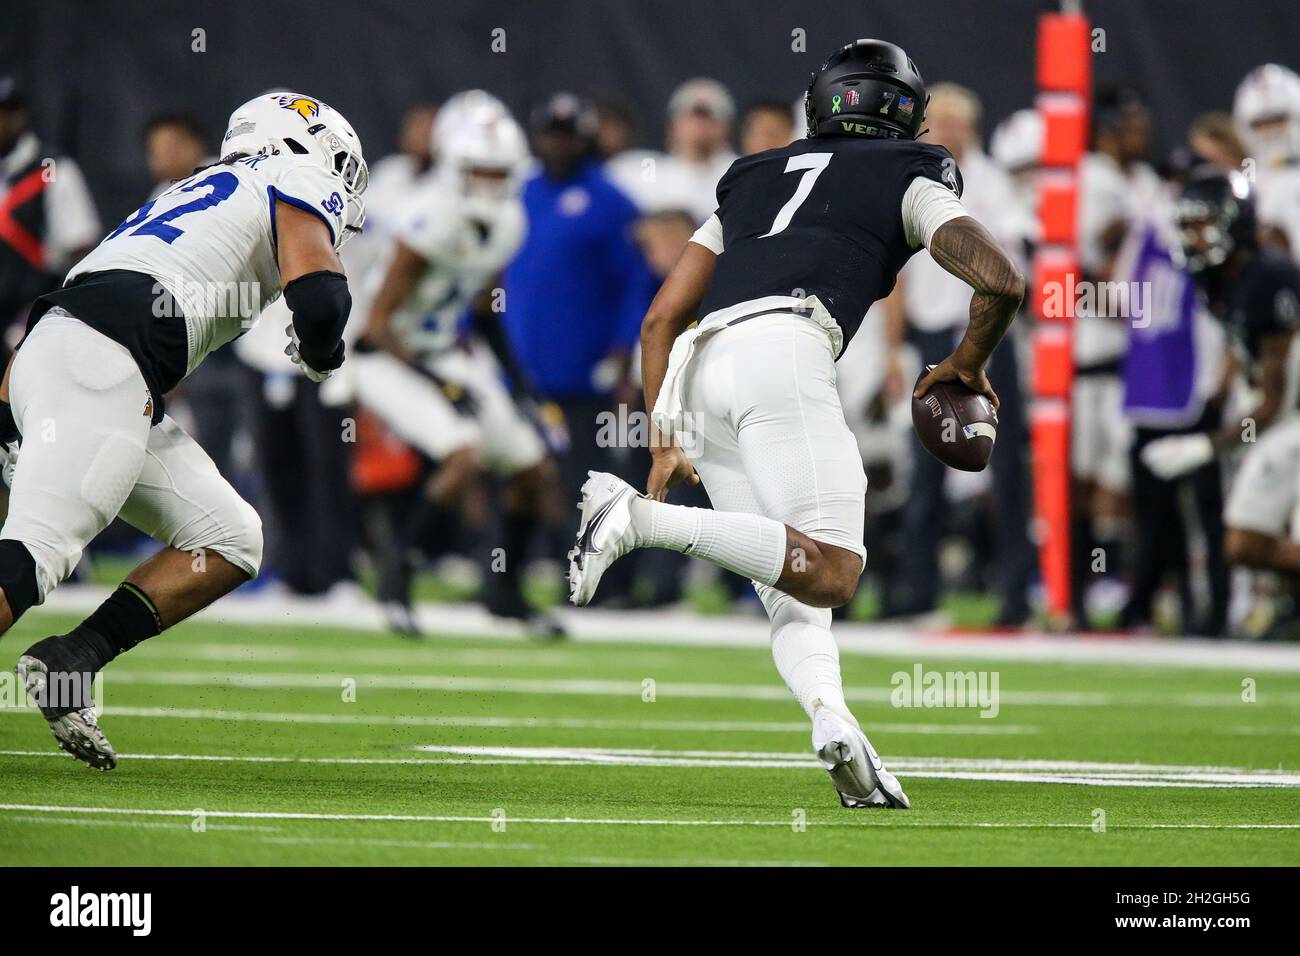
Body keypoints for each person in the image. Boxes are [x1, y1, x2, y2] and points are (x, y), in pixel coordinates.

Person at [567, 40, 1024, 809]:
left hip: (698, 364)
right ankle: (639, 521)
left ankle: (837, 729)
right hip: (784, 349)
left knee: (796, 587)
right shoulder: (913, 170)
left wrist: (664, 431)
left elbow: (659, 319)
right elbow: (1001, 280)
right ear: (906, 112)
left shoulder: (754, 174)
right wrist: (967, 363)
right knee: (838, 568)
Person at [0, 91, 366, 770]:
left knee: (230, 538)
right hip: (102, 366)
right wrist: (322, 352)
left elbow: (75, 300)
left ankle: (71, 660)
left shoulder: (193, 189)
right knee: (31, 559)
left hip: (60, 356)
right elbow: (319, 296)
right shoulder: (292, 172)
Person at [350, 91, 559, 636]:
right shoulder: (429, 218)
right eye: (479, 170)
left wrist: (519, 386)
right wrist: (443, 387)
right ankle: (396, 578)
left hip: (444, 353)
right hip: (387, 357)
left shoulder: (510, 218)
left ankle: (505, 593)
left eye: (499, 171)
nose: (490, 183)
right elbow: (378, 324)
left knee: (533, 468)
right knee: (462, 456)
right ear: (452, 165)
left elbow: (485, 311)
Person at [882, 83, 1035, 624]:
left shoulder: (993, 185)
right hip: (928, 335)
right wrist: (890, 353)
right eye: (936, 122)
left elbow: (1015, 263)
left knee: (1004, 466)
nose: (944, 132)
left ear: (969, 127)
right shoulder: (913, 178)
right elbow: (894, 274)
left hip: (987, 339)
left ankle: (1016, 591)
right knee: (922, 468)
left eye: (953, 122)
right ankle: (916, 589)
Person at [504, 93, 653, 595]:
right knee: (516, 476)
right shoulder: (516, 193)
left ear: (586, 138)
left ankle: (601, 584)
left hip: (585, 375)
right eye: (551, 132)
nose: (558, 142)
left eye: (568, 132)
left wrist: (622, 348)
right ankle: (506, 579)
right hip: (519, 369)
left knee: (586, 484)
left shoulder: (613, 202)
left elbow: (637, 285)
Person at [1143, 168, 1300, 629]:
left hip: (1290, 414)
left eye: (1200, 224)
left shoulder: (1270, 276)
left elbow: (1274, 398)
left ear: (1233, 223)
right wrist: (1217, 406)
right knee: (1245, 544)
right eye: (1186, 225)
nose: (1190, 236)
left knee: (1251, 539)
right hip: (1282, 415)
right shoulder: (1217, 279)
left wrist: (1205, 445)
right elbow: (1242, 353)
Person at [0, 76, 101, 329]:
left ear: (16, 117)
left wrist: (48, 317)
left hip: (31, 317)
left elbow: (80, 252)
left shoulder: (53, 169)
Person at [142, 113, 212, 199]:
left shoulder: (224, 172)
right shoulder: (161, 191)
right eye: (155, 152)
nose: (163, 159)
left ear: (196, 144)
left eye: (170, 148)